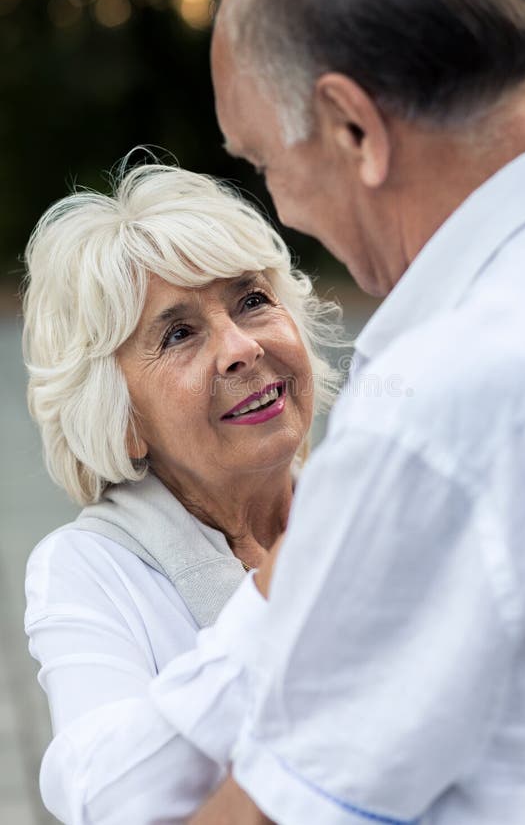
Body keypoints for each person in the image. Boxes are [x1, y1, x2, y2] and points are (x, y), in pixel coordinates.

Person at [155, 0, 525, 823]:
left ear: (354, 127)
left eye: (264, 162)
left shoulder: (445, 408)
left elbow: (289, 807)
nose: (278, 200)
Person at [22, 161, 342, 823]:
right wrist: (282, 590)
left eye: (252, 300)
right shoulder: (87, 567)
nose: (241, 349)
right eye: (178, 333)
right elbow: (110, 795)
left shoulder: (367, 512)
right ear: (122, 419)